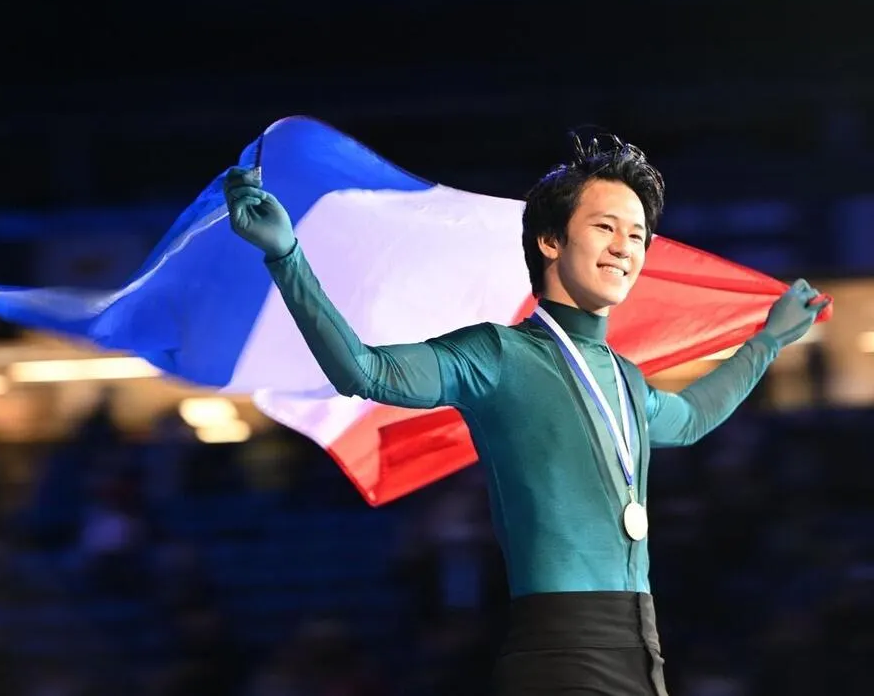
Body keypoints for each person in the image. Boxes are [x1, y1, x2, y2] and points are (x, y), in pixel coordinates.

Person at [222, 133, 829, 696]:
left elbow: (692, 417)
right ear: (551, 240)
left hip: (643, 649)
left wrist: (766, 342)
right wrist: (287, 257)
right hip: (560, 650)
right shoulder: (497, 354)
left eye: (638, 234)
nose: (625, 246)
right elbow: (365, 370)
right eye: (605, 226)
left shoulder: (624, 377)